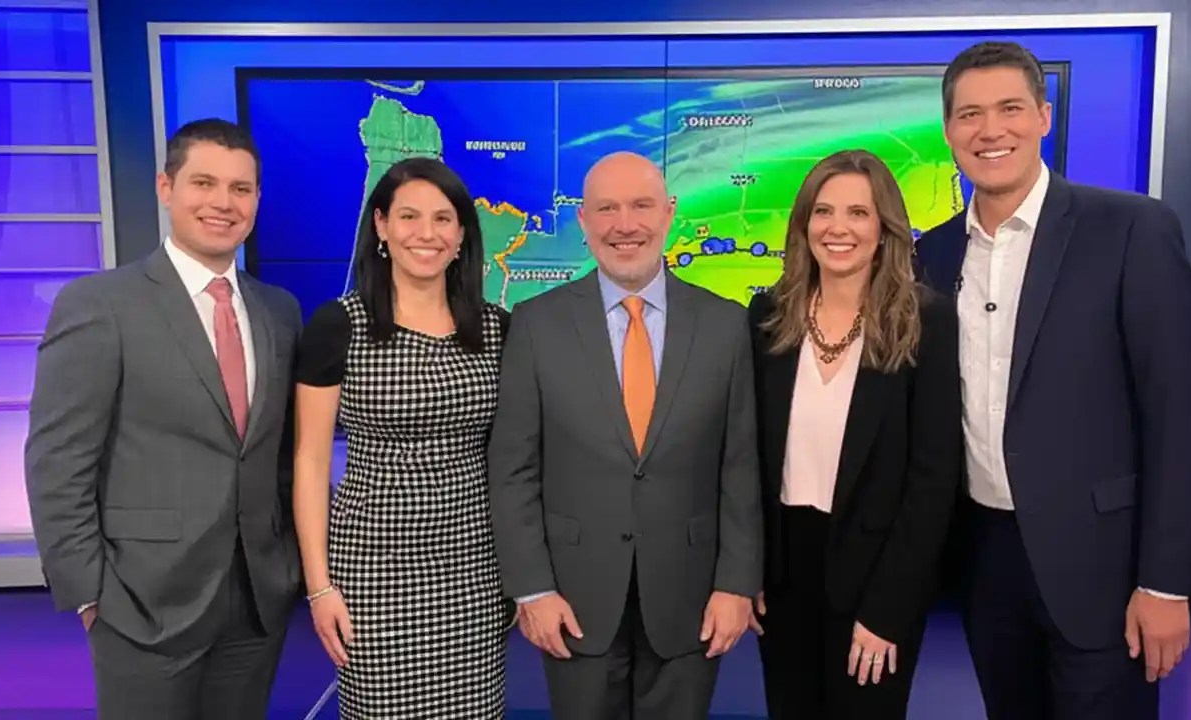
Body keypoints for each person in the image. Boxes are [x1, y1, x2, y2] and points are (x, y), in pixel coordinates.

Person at [915, 41, 1191, 720]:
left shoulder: (1131, 229)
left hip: (1105, 569)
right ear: (949, 131)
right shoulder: (933, 253)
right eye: (970, 115)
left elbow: (1177, 418)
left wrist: (1166, 584)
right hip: (986, 563)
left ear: (1044, 117)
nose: (991, 130)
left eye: (1011, 109)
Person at [24, 118, 302, 718]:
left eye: (241, 188)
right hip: (139, 603)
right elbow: (58, 461)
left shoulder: (279, 311)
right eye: (204, 182)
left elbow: (279, 453)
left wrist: (288, 567)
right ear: (165, 187)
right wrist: (87, 592)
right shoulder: (100, 305)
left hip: (257, 600)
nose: (223, 203)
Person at [487, 150, 762, 719]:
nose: (625, 224)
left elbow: (740, 466)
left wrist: (737, 584)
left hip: (692, 596)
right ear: (583, 221)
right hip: (573, 597)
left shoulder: (726, 323)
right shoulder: (535, 324)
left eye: (641, 205)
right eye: (606, 208)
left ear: (669, 213)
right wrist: (532, 590)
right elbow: (514, 469)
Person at [292, 156, 514, 718]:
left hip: (474, 571)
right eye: (409, 216)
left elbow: (516, 459)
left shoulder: (497, 329)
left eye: (443, 219)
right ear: (381, 226)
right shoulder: (338, 325)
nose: (427, 233)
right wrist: (319, 587)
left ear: (462, 234)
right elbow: (312, 460)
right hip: (373, 572)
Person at [747, 149, 962, 719]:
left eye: (858, 214)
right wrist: (749, 572)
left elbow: (933, 482)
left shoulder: (927, 323)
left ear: (885, 227)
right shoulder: (768, 317)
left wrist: (889, 609)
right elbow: (749, 461)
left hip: (876, 579)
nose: (837, 228)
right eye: (823, 211)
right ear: (804, 225)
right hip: (783, 576)